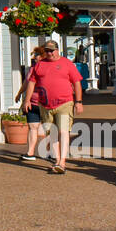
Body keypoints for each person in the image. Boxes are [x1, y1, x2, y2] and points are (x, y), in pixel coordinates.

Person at [25, 38, 83, 174]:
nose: (49, 53)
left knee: (63, 131)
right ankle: (57, 160)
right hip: (45, 105)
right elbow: (32, 83)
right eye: (47, 51)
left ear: (57, 50)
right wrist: (27, 100)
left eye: (52, 51)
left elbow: (77, 83)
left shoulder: (67, 63)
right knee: (52, 134)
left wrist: (79, 102)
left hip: (65, 103)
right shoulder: (39, 65)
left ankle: (62, 161)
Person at [16, 46, 47, 162]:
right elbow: (27, 82)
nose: (35, 57)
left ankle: (51, 151)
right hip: (32, 102)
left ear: (43, 55)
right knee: (32, 127)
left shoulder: (49, 68)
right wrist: (20, 93)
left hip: (46, 103)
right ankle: (30, 152)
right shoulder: (32, 68)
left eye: (37, 55)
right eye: (34, 55)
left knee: (49, 127)